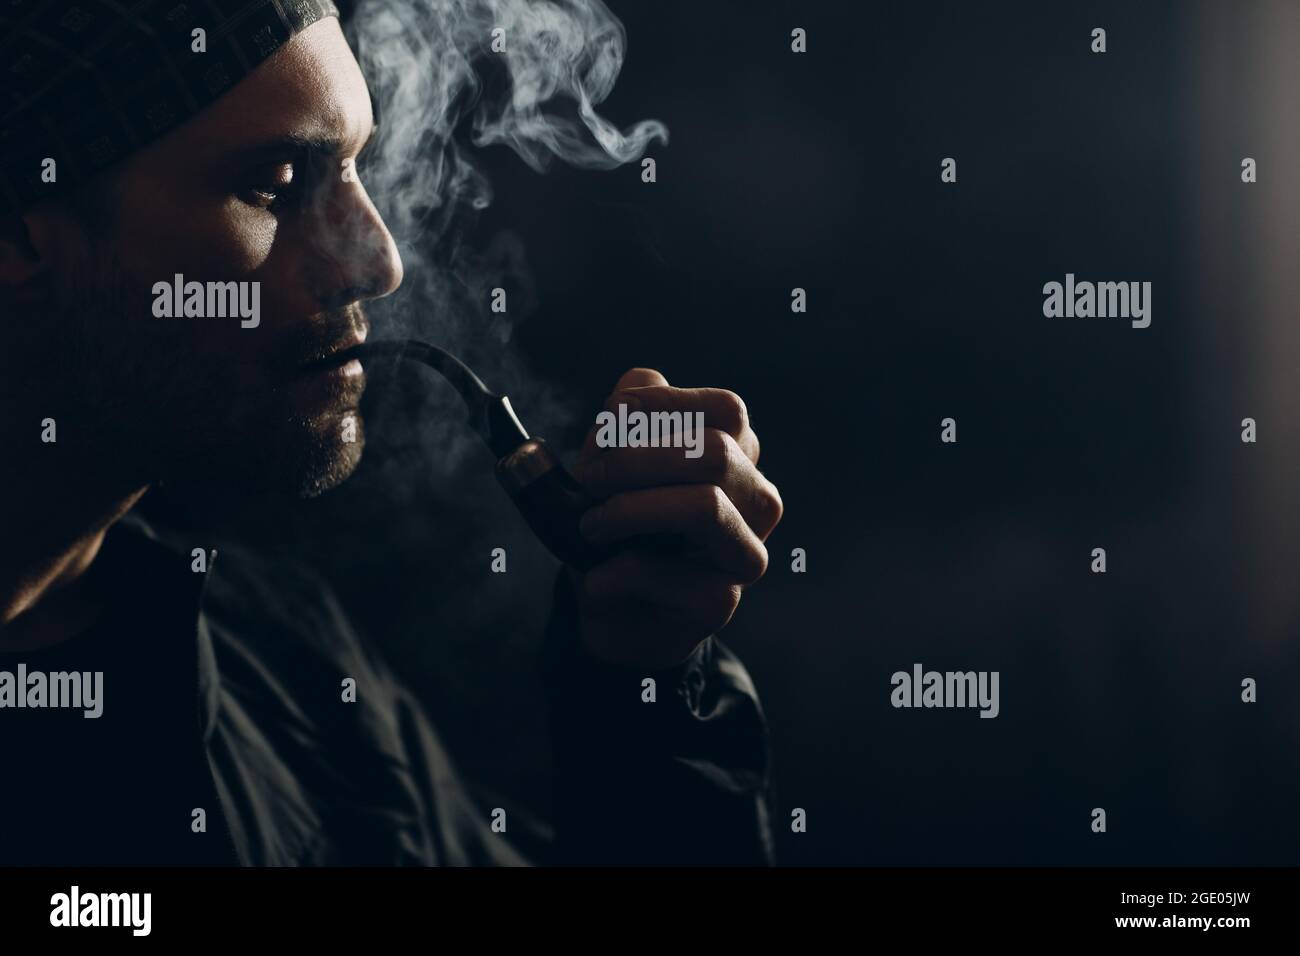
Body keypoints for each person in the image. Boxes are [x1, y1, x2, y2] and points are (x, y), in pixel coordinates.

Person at [0, 1, 783, 865]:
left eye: (355, 168)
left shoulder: (298, 682)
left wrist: (646, 687)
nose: (378, 264)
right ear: (19, 238)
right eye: (276, 184)